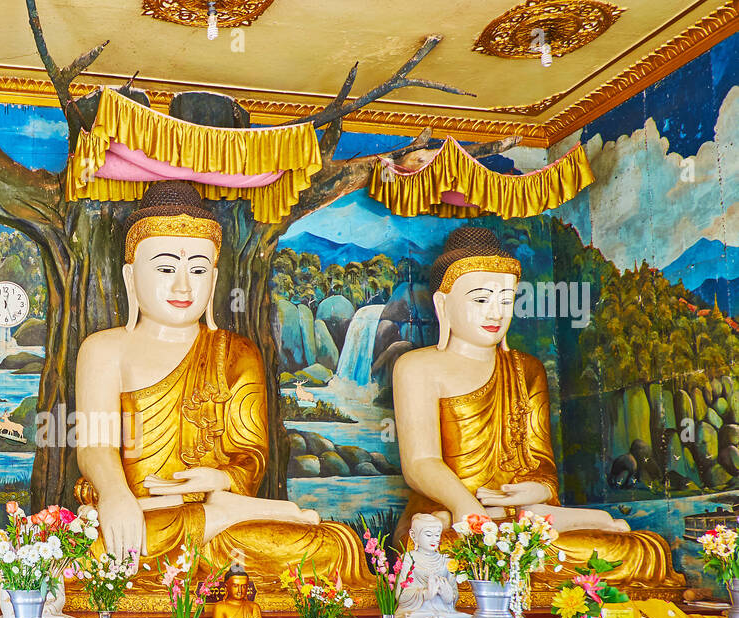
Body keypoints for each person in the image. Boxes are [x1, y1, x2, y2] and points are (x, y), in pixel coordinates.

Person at [74, 180, 371, 586]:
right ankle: (219, 519)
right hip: (139, 512)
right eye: (165, 268)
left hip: (208, 521)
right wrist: (114, 495)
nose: (183, 286)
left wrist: (220, 479)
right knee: (100, 549)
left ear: (213, 281)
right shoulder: (104, 349)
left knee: (331, 547)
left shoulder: (236, 353)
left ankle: (224, 517)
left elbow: (251, 456)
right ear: (130, 275)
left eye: (197, 270)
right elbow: (93, 445)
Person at [392, 226, 683, 587]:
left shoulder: (525, 369)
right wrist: (465, 506)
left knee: (633, 550)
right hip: (448, 517)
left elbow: (540, 462)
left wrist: (537, 490)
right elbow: (421, 463)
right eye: (481, 299)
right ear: (442, 304)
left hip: (519, 515)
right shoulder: (417, 366)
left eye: (506, 299)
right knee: (441, 552)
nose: (495, 312)